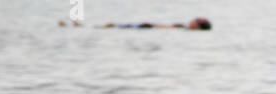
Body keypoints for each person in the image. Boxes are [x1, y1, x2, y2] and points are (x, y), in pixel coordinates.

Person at [59, 17, 212, 29]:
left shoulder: (181, 28)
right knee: (111, 26)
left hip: (145, 28)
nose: (193, 20)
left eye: (197, 20)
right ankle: (80, 26)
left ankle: (79, 27)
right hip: (145, 27)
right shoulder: (182, 27)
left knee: (111, 26)